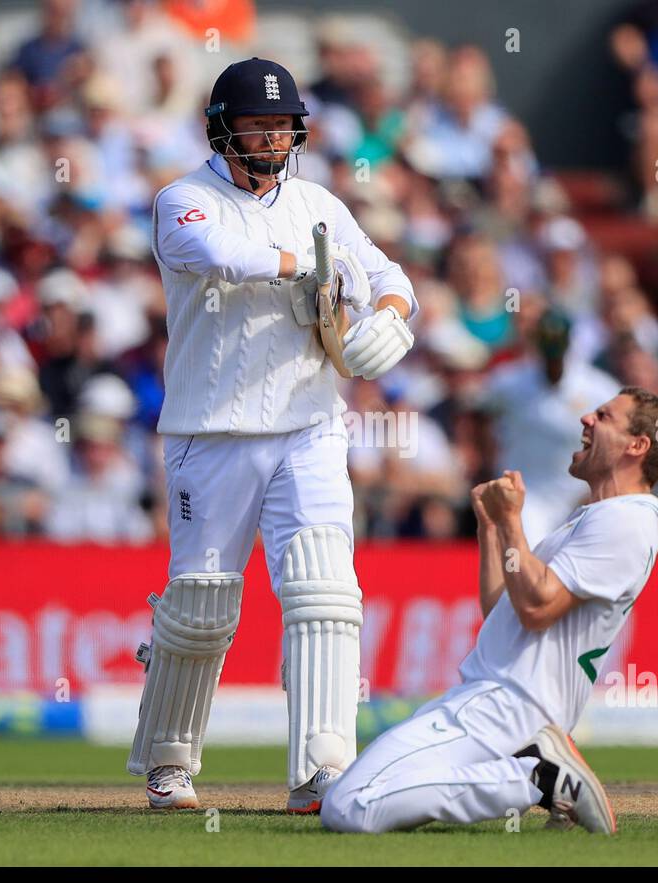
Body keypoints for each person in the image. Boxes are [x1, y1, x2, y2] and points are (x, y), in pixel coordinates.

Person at [127, 57, 418, 813]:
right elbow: (225, 256)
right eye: (258, 124)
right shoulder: (182, 201)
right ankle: (168, 761)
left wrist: (386, 314)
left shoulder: (319, 201)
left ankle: (322, 771)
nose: (274, 136)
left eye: (284, 123)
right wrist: (319, 270)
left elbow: (392, 276)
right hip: (210, 429)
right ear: (223, 128)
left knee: (324, 589)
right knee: (201, 605)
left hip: (311, 426)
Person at [321, 387, 658, 834]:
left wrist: (513, 522)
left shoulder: (625, 521)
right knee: (361, 800)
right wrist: (492, 528)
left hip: (508, 704)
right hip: (502, 703)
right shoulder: (604, 515)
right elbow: (505, 607)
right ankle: (538, 772)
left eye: (605, 416)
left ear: (637, 445)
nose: (586, 419)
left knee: (350, 807)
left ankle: (537, 777)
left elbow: (538, 607)